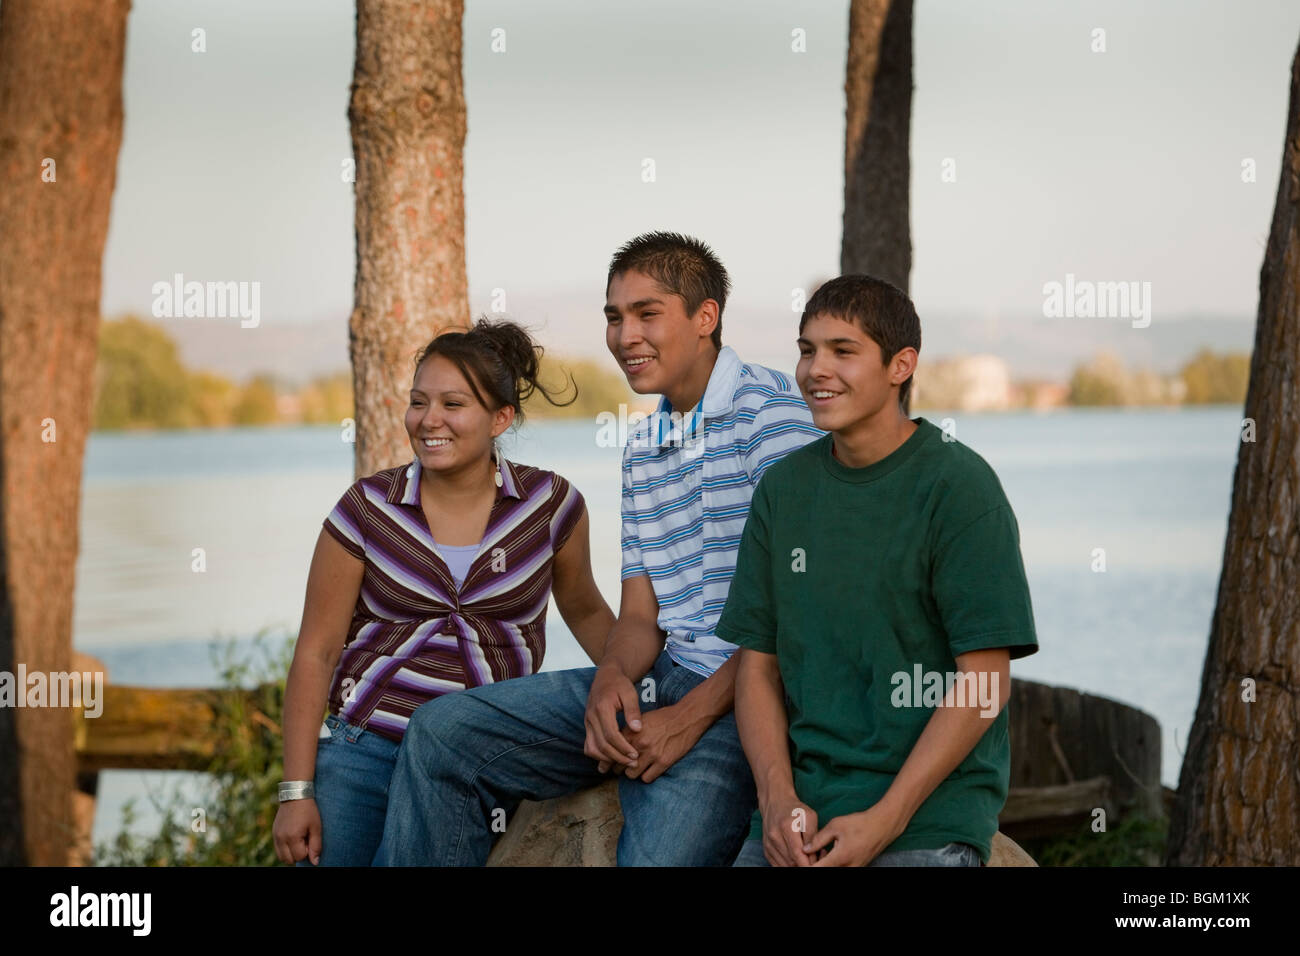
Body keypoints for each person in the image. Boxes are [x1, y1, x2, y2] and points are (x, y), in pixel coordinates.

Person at [373, 231, 824, 866]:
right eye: (614, 317)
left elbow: (793, 623)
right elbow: (640, 615)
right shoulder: (644, 446)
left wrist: (687, 719)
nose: (624, 336)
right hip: (662, 685)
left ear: (705, 317)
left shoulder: (773, 420)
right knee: (440, 734)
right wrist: (613, 680)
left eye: (647, 314)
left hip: (747, 700)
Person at [721, 274, 1039, 867]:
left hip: (925, 821)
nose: (817, 369)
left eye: (843, 351)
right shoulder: (783, 491)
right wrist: (779, 797)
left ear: (900, 365)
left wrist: (884, 821)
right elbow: (757, 668)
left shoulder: (960, 488)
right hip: (804, 814)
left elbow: (985, 682)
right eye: (807, 349)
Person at [272, 318, 614, 866]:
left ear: (500, 418)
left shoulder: (550, 507)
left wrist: (646, 695)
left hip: (478, 759)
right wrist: (296, 791)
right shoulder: (366, 509)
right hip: (366, 752)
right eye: (418, 402)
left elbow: (588, 610)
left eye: (453, 404)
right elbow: (316, 652)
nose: (429, 420)